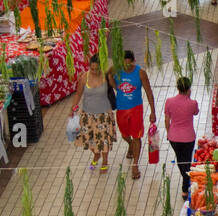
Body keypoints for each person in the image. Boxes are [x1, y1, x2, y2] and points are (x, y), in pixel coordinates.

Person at [108, 49, 156, 180]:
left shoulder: (140, 73)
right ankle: (130, 144)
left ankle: (135, 164)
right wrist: (114, 86)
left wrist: (153, 111)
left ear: (134, 61)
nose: (126, 67)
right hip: (121, 109)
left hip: (136, 109)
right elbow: (108, 75)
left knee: (137, 136)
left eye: (129, 64)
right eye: (124, 65)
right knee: (124, 135)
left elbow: (149, 92)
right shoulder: (116, 69)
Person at [72, 60, 116, 173]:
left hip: (103, 114)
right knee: (88, 139)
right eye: (92, 69)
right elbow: (78, 94)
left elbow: (116, 88)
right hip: (87, 114)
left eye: (97, 69)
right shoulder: (84, 77)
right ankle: (96, 155)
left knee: (103, 140)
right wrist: (73, 108)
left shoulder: (105, 77)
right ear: (89, 67)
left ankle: (105, 160)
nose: (95, 71)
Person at [164, 76, 199, 197]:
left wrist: (169, 133)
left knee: (180, 160)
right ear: (189, 88)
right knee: (187, 160)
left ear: (177, 87)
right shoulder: (192, 103)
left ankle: (186, 183)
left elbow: (167, 120)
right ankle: (186, 185)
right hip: (188, 137)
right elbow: (196, 112)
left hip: (174, 137)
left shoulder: (169, 101)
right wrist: (188, 98)